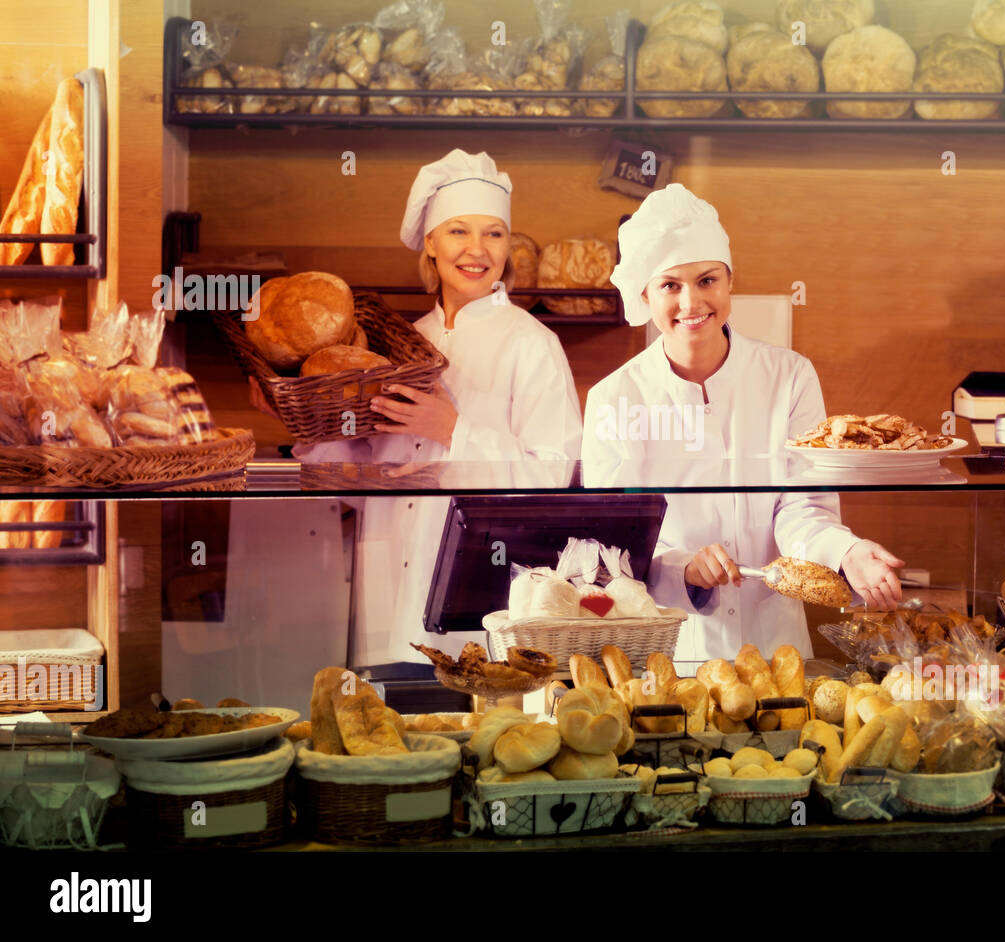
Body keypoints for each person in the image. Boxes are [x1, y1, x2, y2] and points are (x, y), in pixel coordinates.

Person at [254, 150, 582, 667]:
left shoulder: (531, 343)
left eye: (493, 233)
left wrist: (455, 431)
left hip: (480, 586)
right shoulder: (397, 343)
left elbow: (553, 479)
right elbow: (361, 476)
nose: (477, 250)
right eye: (458, 231)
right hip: (387, 574)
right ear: (430, 243)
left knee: (474, 723)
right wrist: (303, 421)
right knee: (390, 733)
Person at [582, 183, 903, 662]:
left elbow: (804, 507)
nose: (692, 303)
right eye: (670, 285)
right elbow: (608, 549)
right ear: (645, 295)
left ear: (730, 282)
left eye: (708, 280)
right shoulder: (614, 398)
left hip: (776, 644)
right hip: (668, 650)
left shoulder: (789, 376)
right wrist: (680, 567)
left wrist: (845, 552)